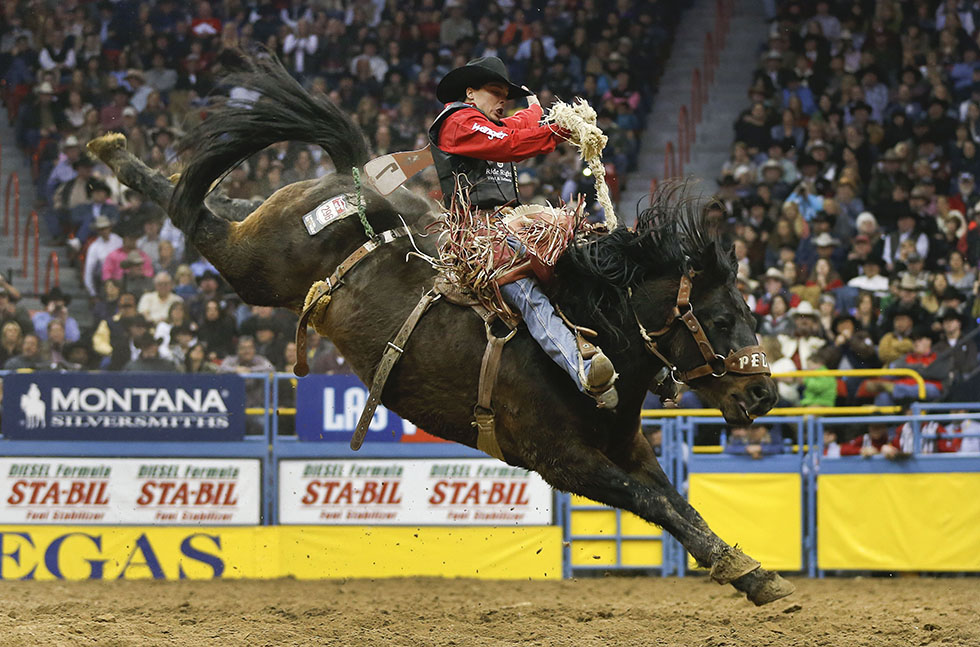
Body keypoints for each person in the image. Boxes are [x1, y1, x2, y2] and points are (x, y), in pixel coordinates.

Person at [429, 56, 617, 407]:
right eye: (495, 92)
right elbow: (509, 143)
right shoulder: (458, 122)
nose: (502, 101)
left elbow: (514, 129)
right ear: (470, 93)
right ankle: (583, 370)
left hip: (511, 224)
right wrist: (563, 130)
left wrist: (534, 110)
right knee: (527, 295)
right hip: (481, 237)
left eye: (506, 95)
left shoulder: (487, 123)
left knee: (589, 248)